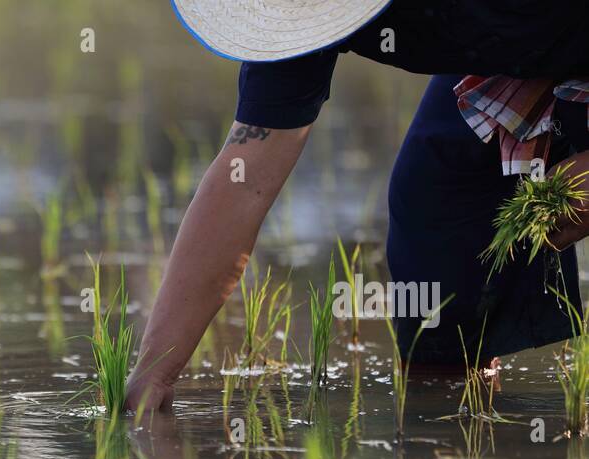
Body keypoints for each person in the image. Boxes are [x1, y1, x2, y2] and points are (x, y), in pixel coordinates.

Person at [126, 0, 589, 415]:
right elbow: (245, 176)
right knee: (434, 213)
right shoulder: (290, 16)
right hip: (522, 45)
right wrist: (156, 369)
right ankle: (454, 445)